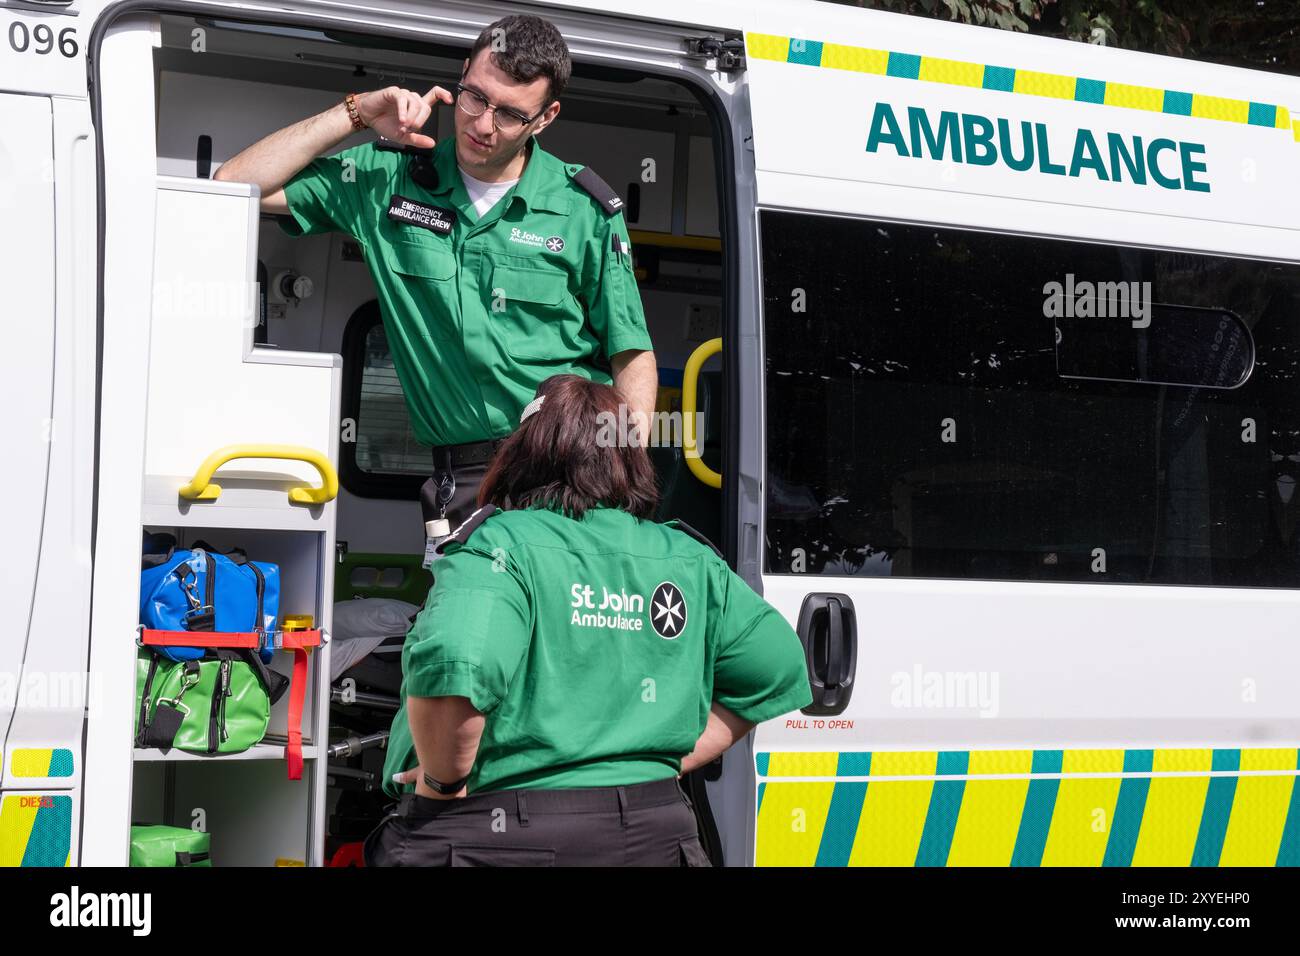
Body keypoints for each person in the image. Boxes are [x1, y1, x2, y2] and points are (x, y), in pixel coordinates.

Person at [214, 14, 658, 535]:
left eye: (511, 114)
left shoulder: (584, 210)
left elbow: (631, 352)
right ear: (462, 74)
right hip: (464, 477)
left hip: (571, 471)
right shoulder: (385, 179)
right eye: (474, 97)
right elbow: (235, 183)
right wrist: (356, 113)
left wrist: (620, 473)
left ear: (546, 117)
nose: (483, 125)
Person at [363, 375, 813, 866]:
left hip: (497, 832)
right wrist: (654, 759)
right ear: (628, 458)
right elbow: (778, 664)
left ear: (524, 455)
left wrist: (441, 781)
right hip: (658, 833)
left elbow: (456, 662)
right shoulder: (689, 559)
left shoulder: (501, 546)